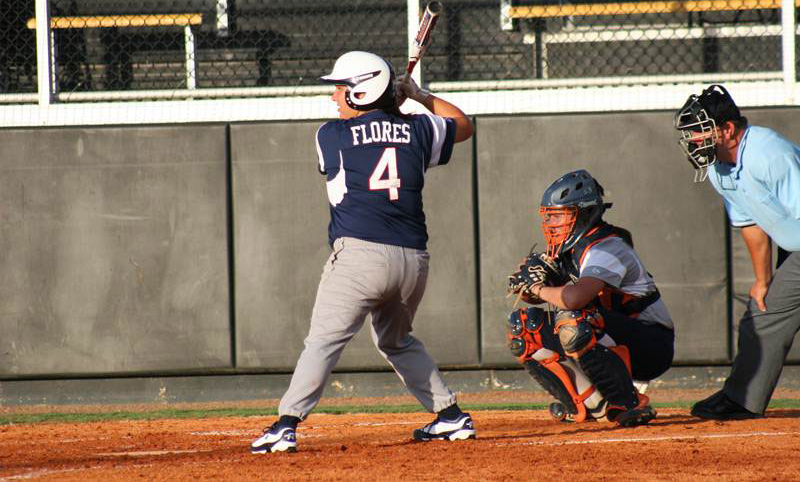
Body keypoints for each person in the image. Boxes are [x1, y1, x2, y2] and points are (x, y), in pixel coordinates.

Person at [251, 51, 476, 453]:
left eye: (341, 88)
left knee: (322, 341)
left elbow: (349, 156)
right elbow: (464, 125)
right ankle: (450, 415)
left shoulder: (330, 135)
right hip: (412, 262)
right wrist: (421, 96)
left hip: (360, 257)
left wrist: (395, 107)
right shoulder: (421, 130)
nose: (335, 96)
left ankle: (285, 425)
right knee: (397, 340)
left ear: (361, 92)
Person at [506, 169, 675, 426]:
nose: (552, 224)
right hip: (609, 335)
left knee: (574, 320)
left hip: (650, 343)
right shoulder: (569, 250)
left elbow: (573, 299)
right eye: (550, 216)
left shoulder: (607, 247)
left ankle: (629, 404)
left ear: (584, 213)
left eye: (560, 216)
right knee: (524, 328)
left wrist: (538, 288)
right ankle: (590, 405)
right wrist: (530, 289)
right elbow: (546, 300)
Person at [674, 84, 800, 420]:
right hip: (795, 249)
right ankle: (741, 398)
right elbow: (752, 224)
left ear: (728, 129)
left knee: (765, 317)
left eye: (701, 133)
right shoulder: (718, 167)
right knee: (762, 311)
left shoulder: (767, 153)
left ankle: (741, 399)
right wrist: (763, 280)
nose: (694, 142)